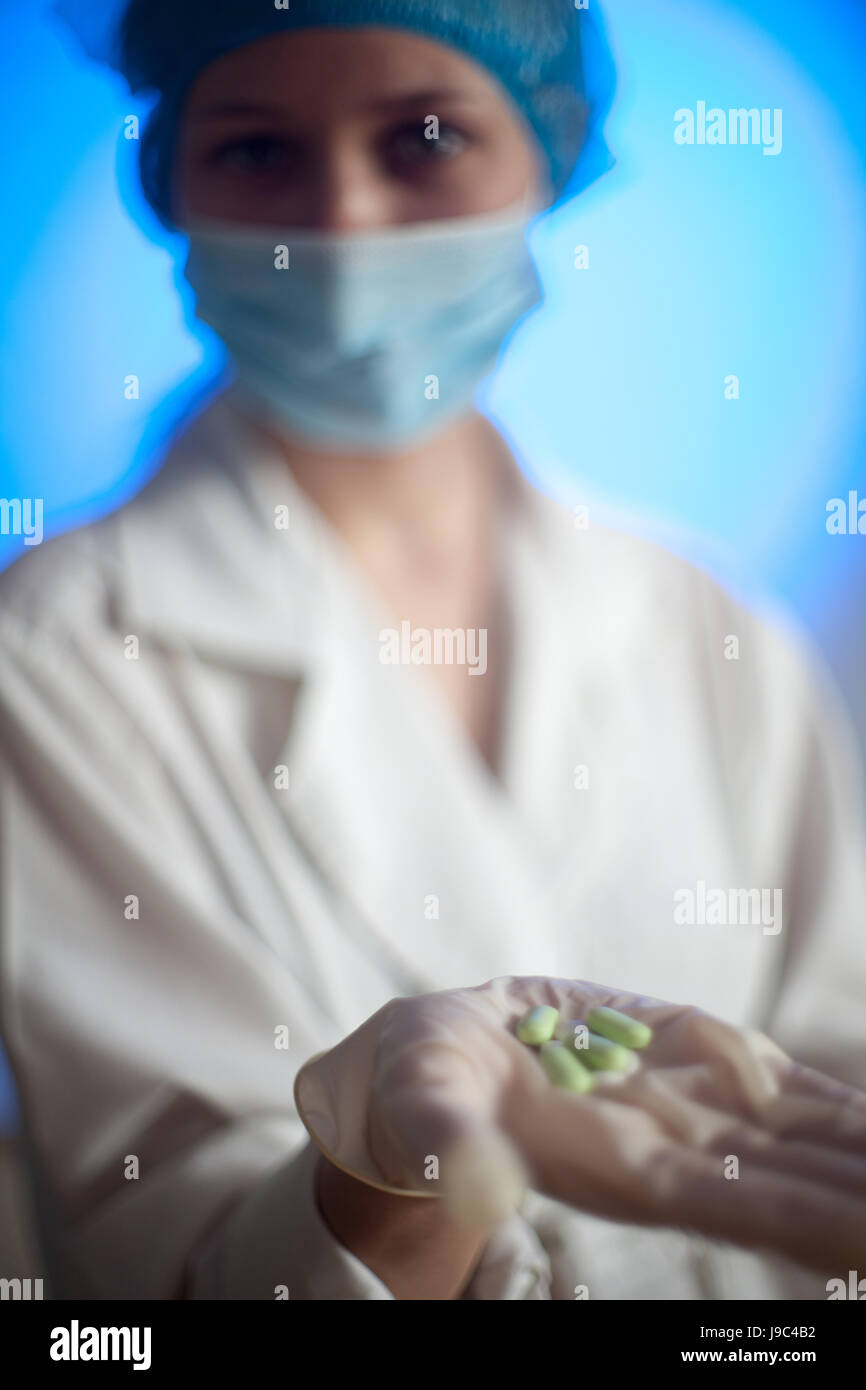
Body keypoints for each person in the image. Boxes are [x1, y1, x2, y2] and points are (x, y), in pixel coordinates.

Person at [0, 0, 864, 1301]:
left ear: (546, 158)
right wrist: (386, 1166)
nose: (340, 223)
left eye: (423, 137)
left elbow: (825, 1082)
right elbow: (163, 1268)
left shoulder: (708, 630)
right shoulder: (51, 659)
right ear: (165, 181)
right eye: (255, 149)